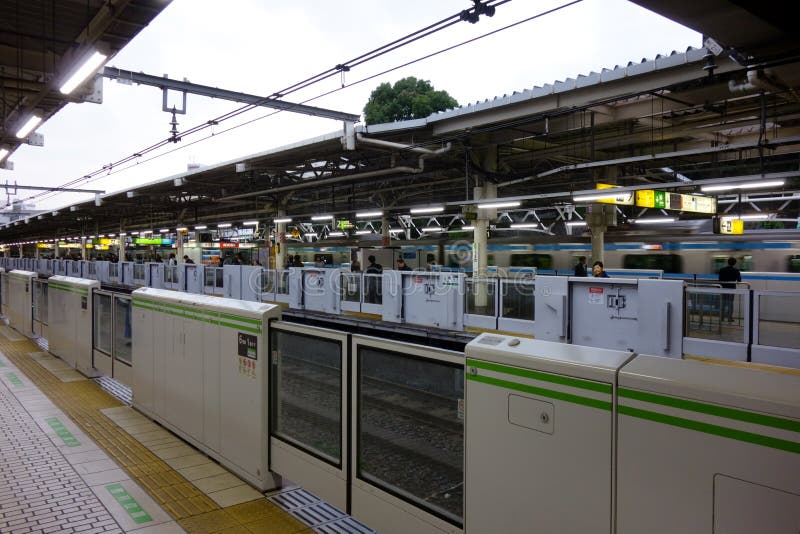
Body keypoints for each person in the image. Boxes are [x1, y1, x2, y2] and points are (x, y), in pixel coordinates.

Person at [718, 257, 741, 322]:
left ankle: (721, 318)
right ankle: (729, 318)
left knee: (723, 303)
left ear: (727, 262)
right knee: (730, 303)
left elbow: (719, 280)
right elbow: (739, 280)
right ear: (735, 263)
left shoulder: (722, 269)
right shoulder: (736, 270)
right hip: (731, 289)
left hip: (723, 288)